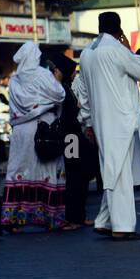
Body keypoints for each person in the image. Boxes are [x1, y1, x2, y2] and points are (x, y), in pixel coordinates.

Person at [73, 11, 140, 241]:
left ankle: (104, 220)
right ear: (119, 29)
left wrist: (88, 121)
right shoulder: (117, 50)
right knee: (120, 173)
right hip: (122, 120)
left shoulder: (87, 54)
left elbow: (84, 92)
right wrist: (129, 48)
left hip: (101, 122)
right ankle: (122, 227)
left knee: (113, 169)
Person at [0, 41, 71, 232]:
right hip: (44, 130)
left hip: (21, 133)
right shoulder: (43, 75)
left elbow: (16, 107)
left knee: (19, 171)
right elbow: (60, 94)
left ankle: (14, 220)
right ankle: (52, 218)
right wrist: (44, 103)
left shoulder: (14, 81)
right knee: (47, 170)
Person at [50, 53, 93, 228]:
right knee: (75, 175)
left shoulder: (64, 87)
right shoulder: (59, 88)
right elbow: (71, 112)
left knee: (76, 175)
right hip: (71, 138)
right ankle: (74, 216)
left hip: (72, 137)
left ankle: (77, 216)